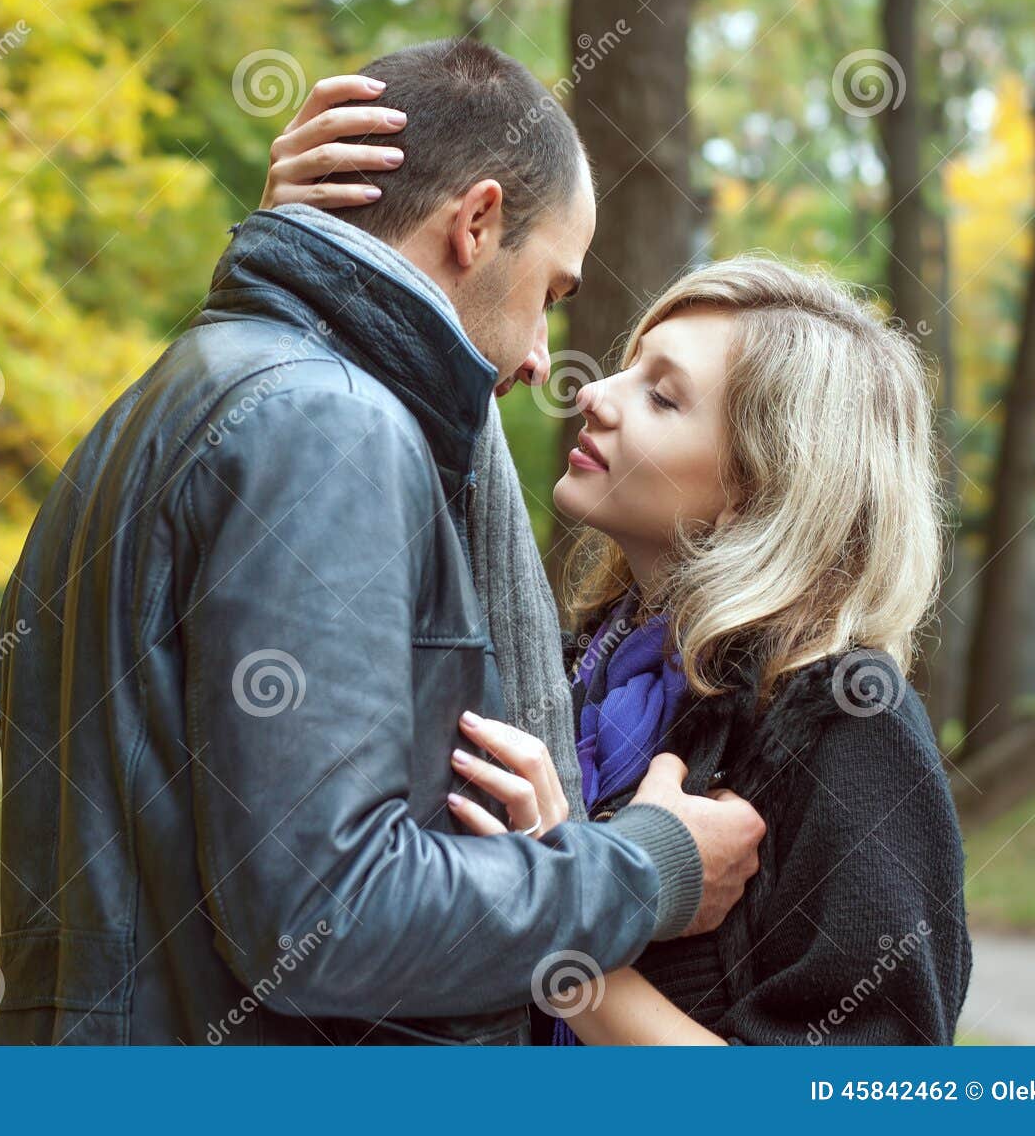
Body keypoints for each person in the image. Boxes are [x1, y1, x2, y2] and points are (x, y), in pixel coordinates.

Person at [0, 37, 766, 1046]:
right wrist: (647, 866)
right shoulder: (323, 427)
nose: (542, 358)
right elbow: (325, 914)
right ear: (478, 221)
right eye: (552, 293)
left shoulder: (174, 402)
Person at [262, 87, 973, 1046]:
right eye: (629, 368)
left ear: (763, 486)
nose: (592, 392)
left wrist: (570, 926)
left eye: (663, 397)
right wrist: (319, 254)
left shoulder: (844, 720)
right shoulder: (560, 669)